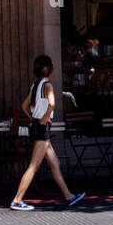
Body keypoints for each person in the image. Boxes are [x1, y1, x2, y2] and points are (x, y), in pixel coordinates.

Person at [10, 55, 86, 210]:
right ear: (48, 68)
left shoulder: (35, 85)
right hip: (42, 129)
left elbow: (24, 106)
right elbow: (52, 104)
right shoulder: (47, 85)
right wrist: (45, 117)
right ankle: (17, 200)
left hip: (38, 126)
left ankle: (68, 196)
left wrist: (35, 117)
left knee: (55, 163)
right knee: (33, 166)